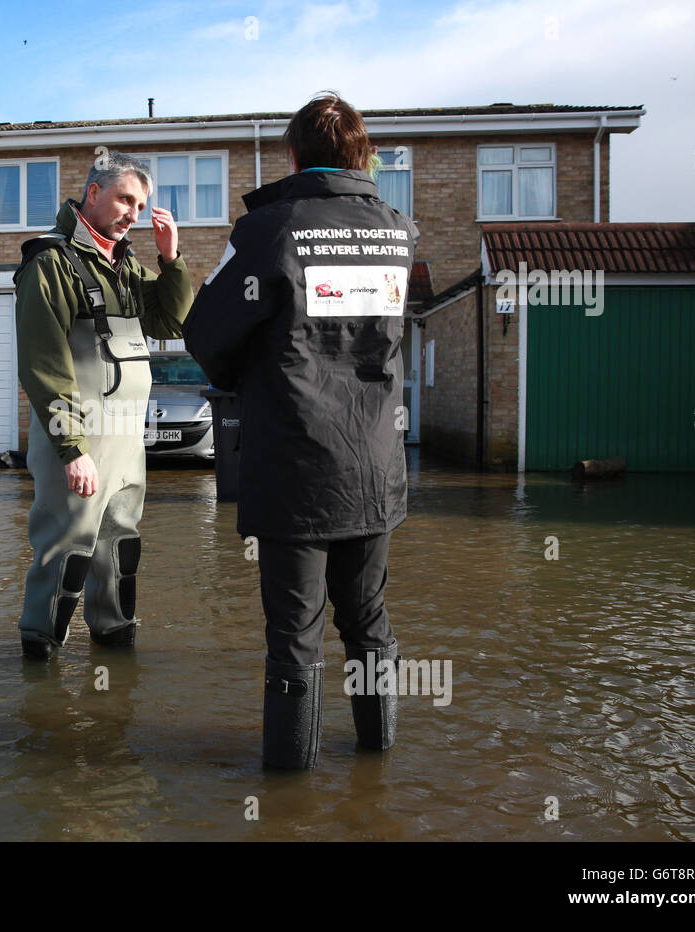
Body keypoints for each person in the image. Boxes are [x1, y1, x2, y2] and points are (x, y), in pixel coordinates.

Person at [182, 94, 418, 768]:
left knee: (294, 635)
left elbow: (205, 331)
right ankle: (378, 763)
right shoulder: (399, 232)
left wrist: (242, 375)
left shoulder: (272, 228)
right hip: (374, 464)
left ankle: (286, 796)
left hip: (294, 465)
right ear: (364, 156)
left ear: (293, 156)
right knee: (368, 621)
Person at [14, 152, 193, 660]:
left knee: (119, 550)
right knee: (66, 550)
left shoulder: (128, 266)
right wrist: (71, 450)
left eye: (139, 204)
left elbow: (168, 323)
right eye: (123, 199)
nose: (132, 212)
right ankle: (40, 665)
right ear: (92, 193)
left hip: (126, 443)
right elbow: (44, 367)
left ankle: (114, 649)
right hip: (79, 441)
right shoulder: (50, 264)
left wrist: (171, 260)